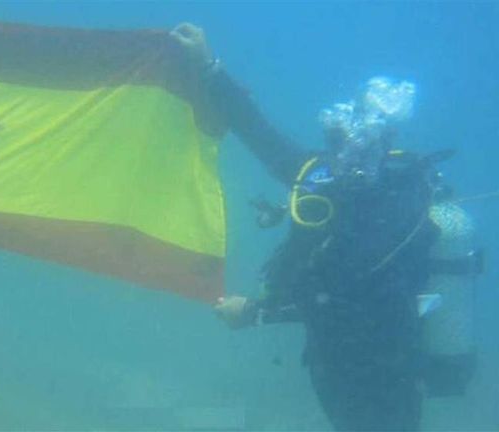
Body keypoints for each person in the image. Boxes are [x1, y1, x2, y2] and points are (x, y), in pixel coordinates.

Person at [170, 23, 473, 431]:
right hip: (333, 363)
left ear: (384, 147)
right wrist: (208, 66)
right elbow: (259, 134)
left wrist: (257, 313)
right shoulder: (319, 175)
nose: (348, 157)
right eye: (339, 144)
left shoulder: (397, 206)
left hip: (383, 372)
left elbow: (353, 301)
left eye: (358, 147)